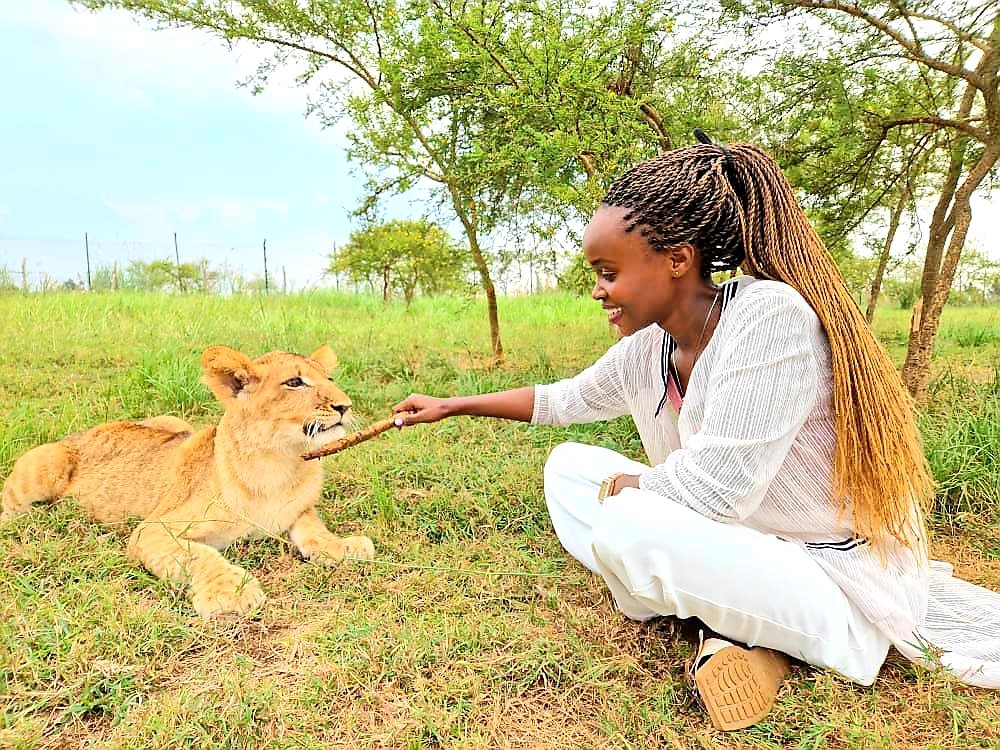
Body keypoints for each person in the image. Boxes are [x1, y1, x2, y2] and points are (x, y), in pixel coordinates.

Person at [392, 135, 1000, 731]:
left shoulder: (770, 318)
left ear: (677, 260)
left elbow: (719, 490)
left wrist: (633, 487)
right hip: (744, 543)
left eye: (608, 272)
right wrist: (453, 404)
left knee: (628, 520)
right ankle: (736, 627)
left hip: (828, 568)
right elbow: (564, 399)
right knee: (568, 467)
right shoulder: (649, 344)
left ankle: (822, 638)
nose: (598, 290)